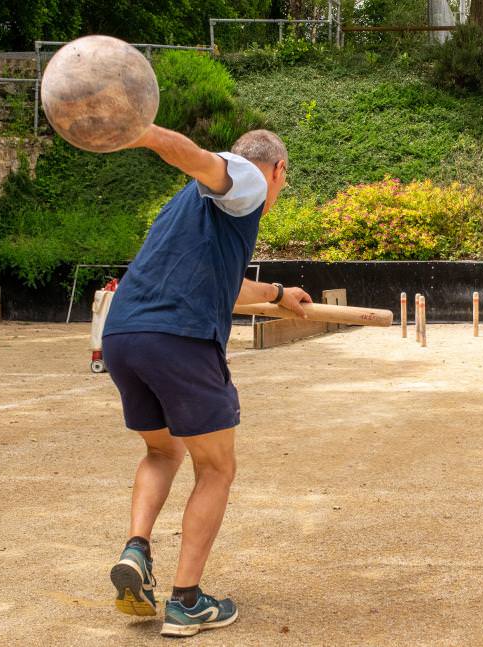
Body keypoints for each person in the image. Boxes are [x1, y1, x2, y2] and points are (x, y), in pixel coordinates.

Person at [100, 125, 311, 637]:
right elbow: (198, 158)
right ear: (279, 170)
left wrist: (279, 293)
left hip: (124, 334)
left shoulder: (189, 209)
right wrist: (144, 132)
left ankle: (138, 549)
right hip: (181, 339)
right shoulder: (247, 180)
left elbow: (226, 285)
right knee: (216, 468)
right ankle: (187, 601)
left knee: (162, 451)